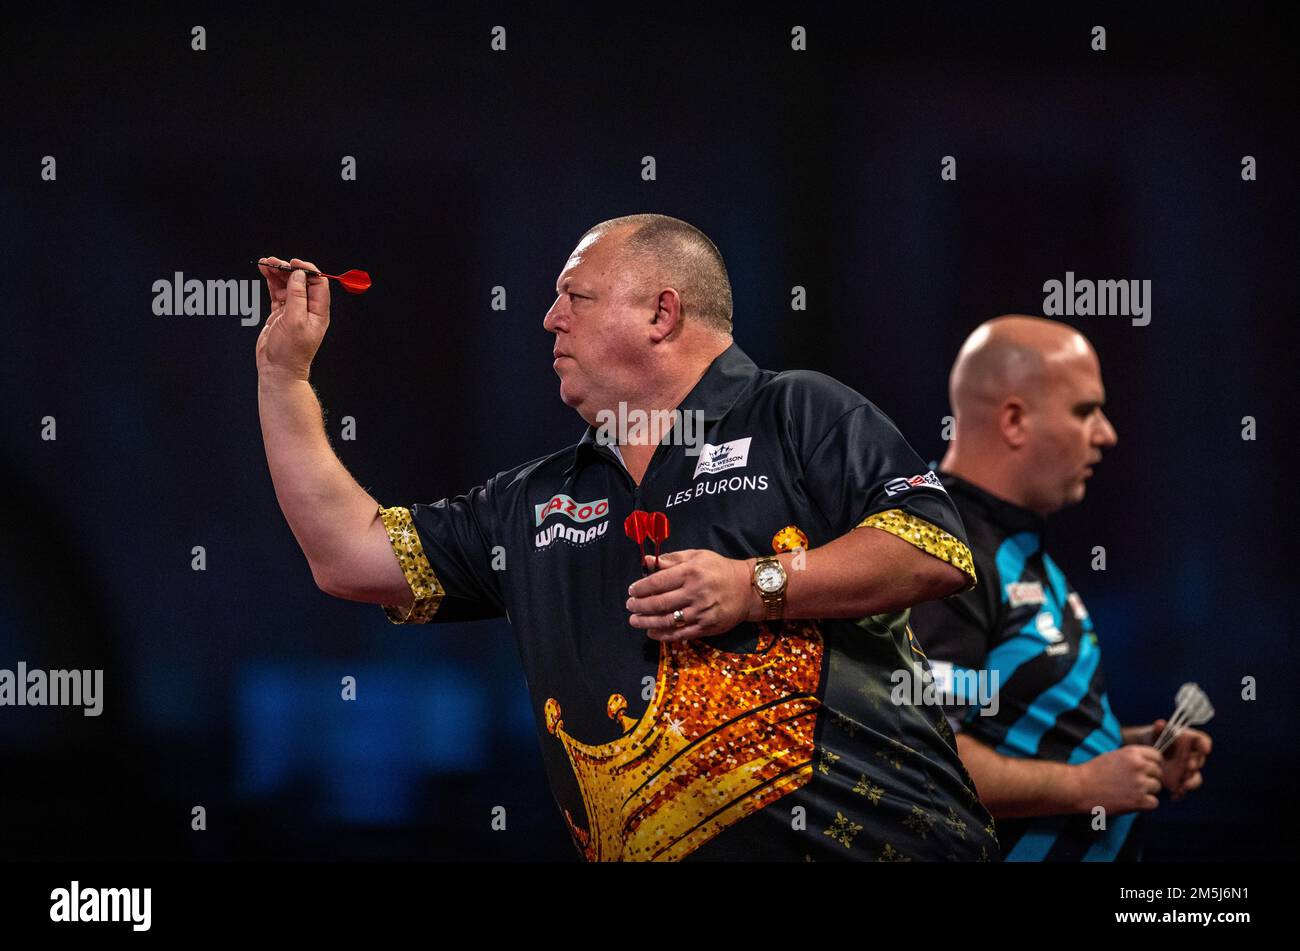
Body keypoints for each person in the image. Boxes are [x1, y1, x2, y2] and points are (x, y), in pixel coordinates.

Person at [255, 214, 997, 861]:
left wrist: (752, 586)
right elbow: (348, 555)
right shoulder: (531, 500)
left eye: (574, 297)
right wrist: (282, 375)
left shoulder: (797, 411)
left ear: (662, 313)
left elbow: (933, 548)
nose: (548, 318)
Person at [908, 315, 1212, 861]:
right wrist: (1083, 787)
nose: (1106, 433)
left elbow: (1004, 724)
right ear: (1016, 420)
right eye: (1084, 411)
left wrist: (1127, 748)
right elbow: (920, 754)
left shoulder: (1015, 545)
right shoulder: (944, 552)